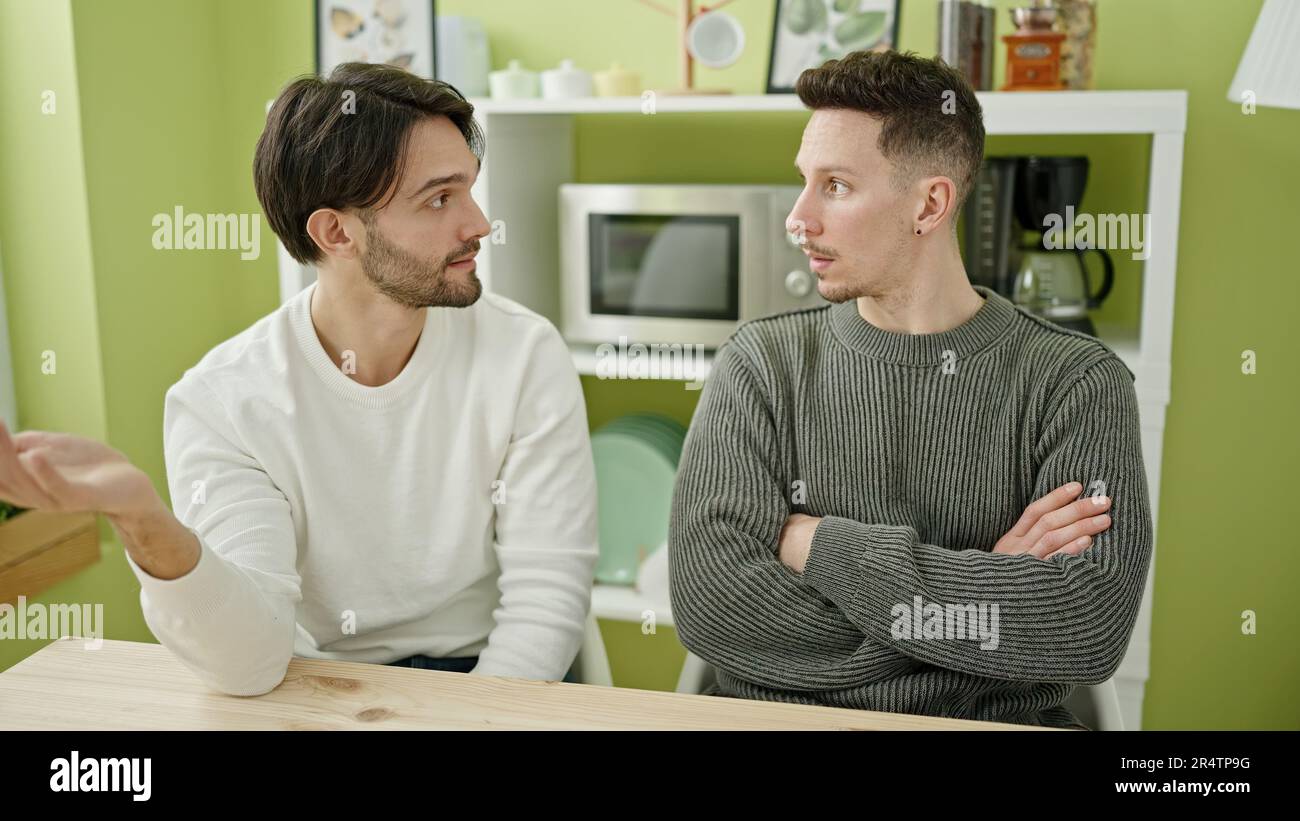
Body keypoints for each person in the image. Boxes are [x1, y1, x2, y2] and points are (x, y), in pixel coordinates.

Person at [0, 63, 597, 694]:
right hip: (309, 683)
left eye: (471, 191)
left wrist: (469, 717)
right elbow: (249, 663)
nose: (478, 223)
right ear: (335, 231)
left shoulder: (525, 355)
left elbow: (545, 599)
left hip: (485, 680)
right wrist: (146, 522)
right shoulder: (222, 402)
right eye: (440, 199)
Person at [667, 50, 1153, 728]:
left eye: (835, 186)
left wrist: (819, 547)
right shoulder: (762, 363)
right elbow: (713, 607)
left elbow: (1085, 627)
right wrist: (980, 597)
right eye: (804, 182)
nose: (798, 218)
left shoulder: (1077, 383)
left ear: (930, 203)